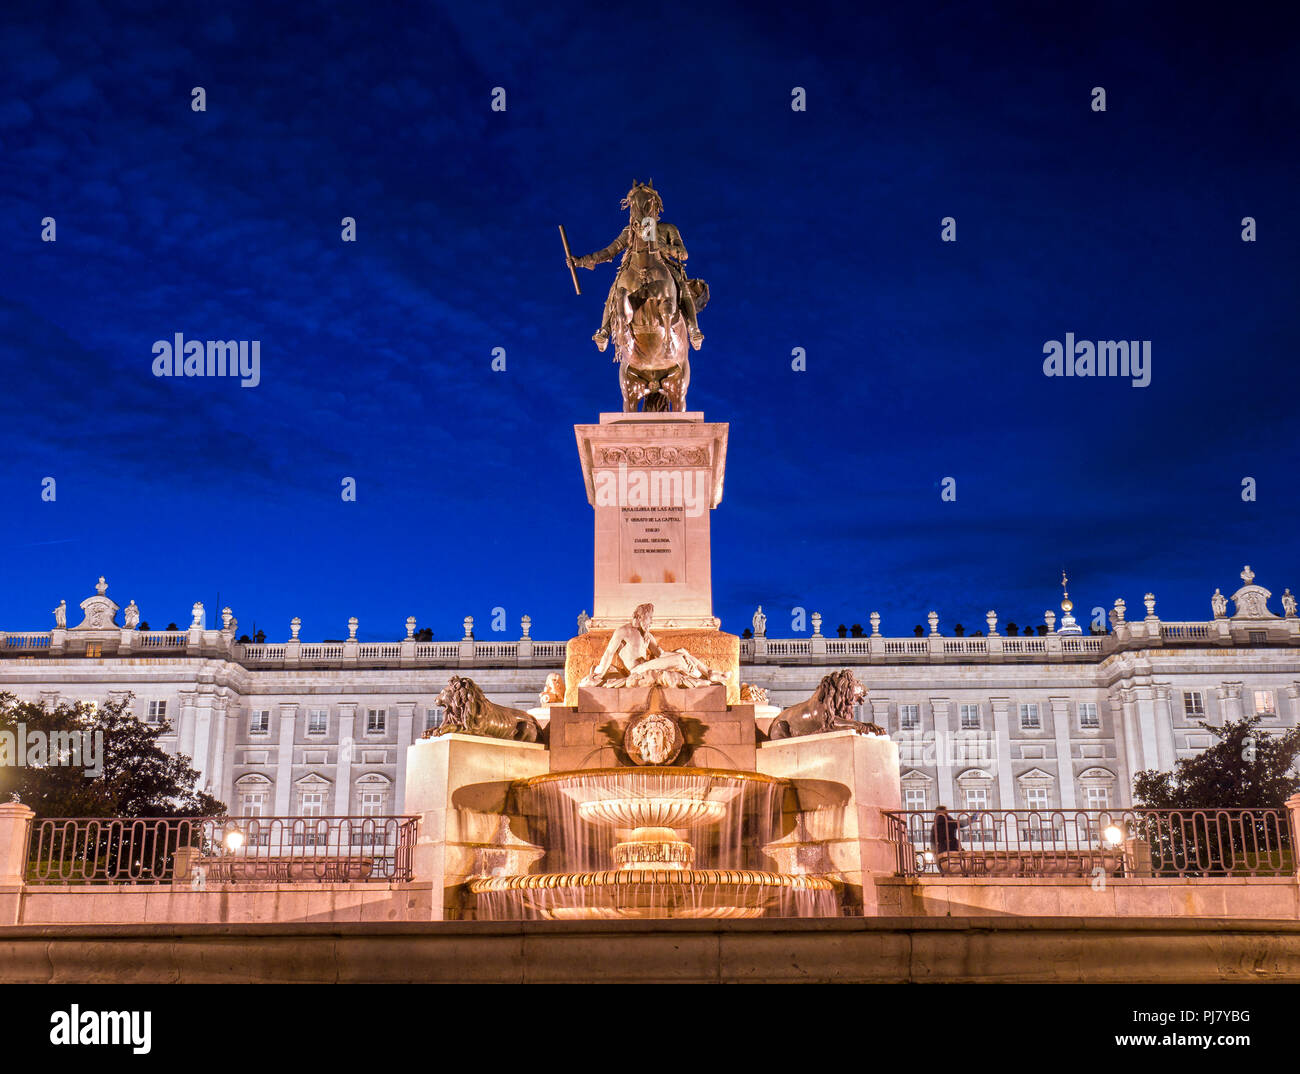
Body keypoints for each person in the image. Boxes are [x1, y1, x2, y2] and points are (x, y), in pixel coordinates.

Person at [930, 806, 961, 874]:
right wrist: (971, 819)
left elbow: (932, 841)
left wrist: (934, 852)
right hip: (953, 848)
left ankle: (943, 873)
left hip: (941, 849)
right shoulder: (950, 821)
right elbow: (961, 823)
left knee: (943, 869)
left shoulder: (935, 825)